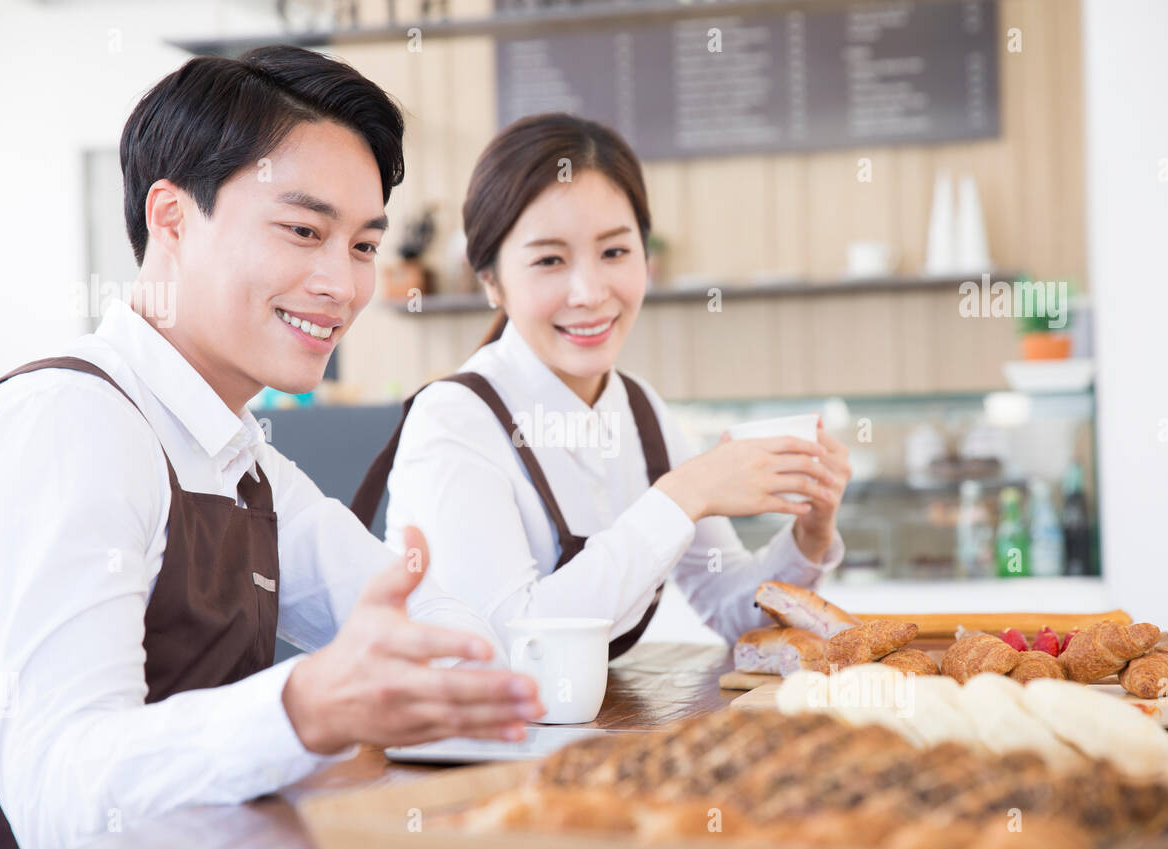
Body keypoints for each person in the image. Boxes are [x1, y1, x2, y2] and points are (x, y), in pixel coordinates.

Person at [0, 45, 542, 849]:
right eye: (304, 231)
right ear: (171, 217)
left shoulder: (242, 456)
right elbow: (61, 803)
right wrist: (303, 710)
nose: (342, 284)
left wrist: (424, 658)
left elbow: (445, 624)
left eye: (361, 246)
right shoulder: (66, 424)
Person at [352, 113, 851, 660]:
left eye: (614, 252)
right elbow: (511, 644)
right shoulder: (453, 418)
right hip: (453, 742)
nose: (589, 292)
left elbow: (734, 612)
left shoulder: (639, 410)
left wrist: (811, 533)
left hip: (568, 739)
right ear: (491, 280)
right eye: (549, 260)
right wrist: (685, 494)